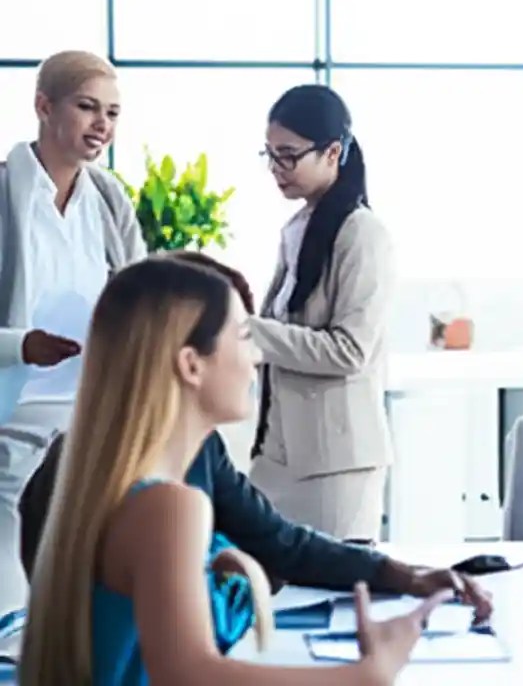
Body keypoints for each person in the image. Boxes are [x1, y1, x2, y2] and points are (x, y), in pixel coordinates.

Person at [20, 257, 442, 685]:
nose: (257, 358)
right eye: (244, 337)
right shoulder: (169, 506)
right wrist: (368, 674)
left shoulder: (108, 487)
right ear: (191, 364)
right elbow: (194, 674)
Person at [0, 50, 145, 616]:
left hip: (88, 421)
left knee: (82, 599)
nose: (102, 125)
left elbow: (139, 298)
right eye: (87, 107)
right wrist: (22, 345)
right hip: (11, 423)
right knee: (11, 607)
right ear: (43, 106)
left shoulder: (109, 200)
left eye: (111, 112)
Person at [249, 84, 394, 540]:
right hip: (278, 456)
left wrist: (248, 331)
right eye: (270, 155)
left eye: (289, 155)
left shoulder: (362, 234)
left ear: (332, 152)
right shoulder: (295, 229)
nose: (277, 169)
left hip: (336, 464)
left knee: (336, 601)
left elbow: (351, 351)